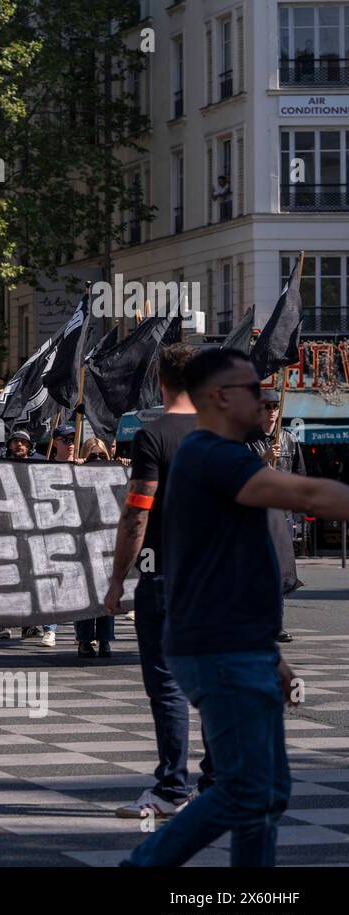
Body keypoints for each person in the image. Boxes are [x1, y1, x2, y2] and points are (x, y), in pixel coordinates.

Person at [122, 347, 349, 867]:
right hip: (219, 650)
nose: (267, 398)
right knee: (246, 789)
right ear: (221, 397)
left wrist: (272, 656)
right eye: (254, 389)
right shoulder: (211, 455)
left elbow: (237, 568)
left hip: (239, 645)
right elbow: (310, 496)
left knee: (265, 794)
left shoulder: (227, 455)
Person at [103, 343, 212, 819]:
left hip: (165, 577)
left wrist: (116, 578)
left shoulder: (153, 437)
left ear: (158, 379)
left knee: (167, 685)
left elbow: (137, 515)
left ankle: (171, 787)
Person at [246, 388, 306, 644]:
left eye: (275, 407)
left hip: (281, 515)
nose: (271, 411)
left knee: (279, 571)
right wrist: (261, 458)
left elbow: (299, 476)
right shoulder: (245, 440)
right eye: (266, 407)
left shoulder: (289, 440)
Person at [0, 430, 55, 645]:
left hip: (33, 527)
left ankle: (29, 623)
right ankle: (6, 623)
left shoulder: (40, 461)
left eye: (24, 442)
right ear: (10, 445)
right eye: (16, 442)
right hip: (8, 527)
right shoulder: (0, 464)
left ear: (29, 445)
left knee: (31, 577)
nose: (20, 445)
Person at [73, 437, 115, 658]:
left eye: (102, 456)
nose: (98, 460)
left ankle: (105, 640)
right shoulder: (76, 474)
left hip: (108, 544)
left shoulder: (114, 473)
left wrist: (123, 466)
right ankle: (84, 640)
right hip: (82, 545)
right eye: (93, 456)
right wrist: (74, 469)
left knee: (108, 594)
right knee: (85, 595)